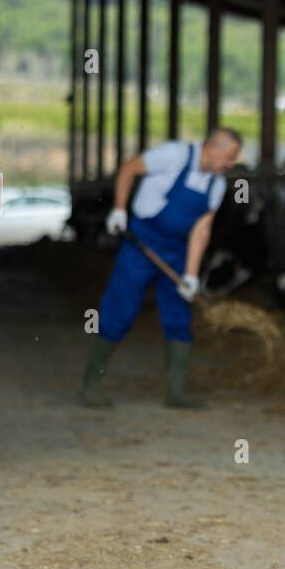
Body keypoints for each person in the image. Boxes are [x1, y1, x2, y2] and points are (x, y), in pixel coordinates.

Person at [80, 128, 243, 408]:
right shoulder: (174, 155)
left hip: (177, 251)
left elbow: (201, 229)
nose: (230, 164)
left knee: (179, 315)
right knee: (121, 308)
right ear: (213, 149)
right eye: (229, 157)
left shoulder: (216, 185)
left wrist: (191, 275)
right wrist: (119, 208)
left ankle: (176, 392)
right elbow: (129, 168)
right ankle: (92, 384)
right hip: (142, 242)